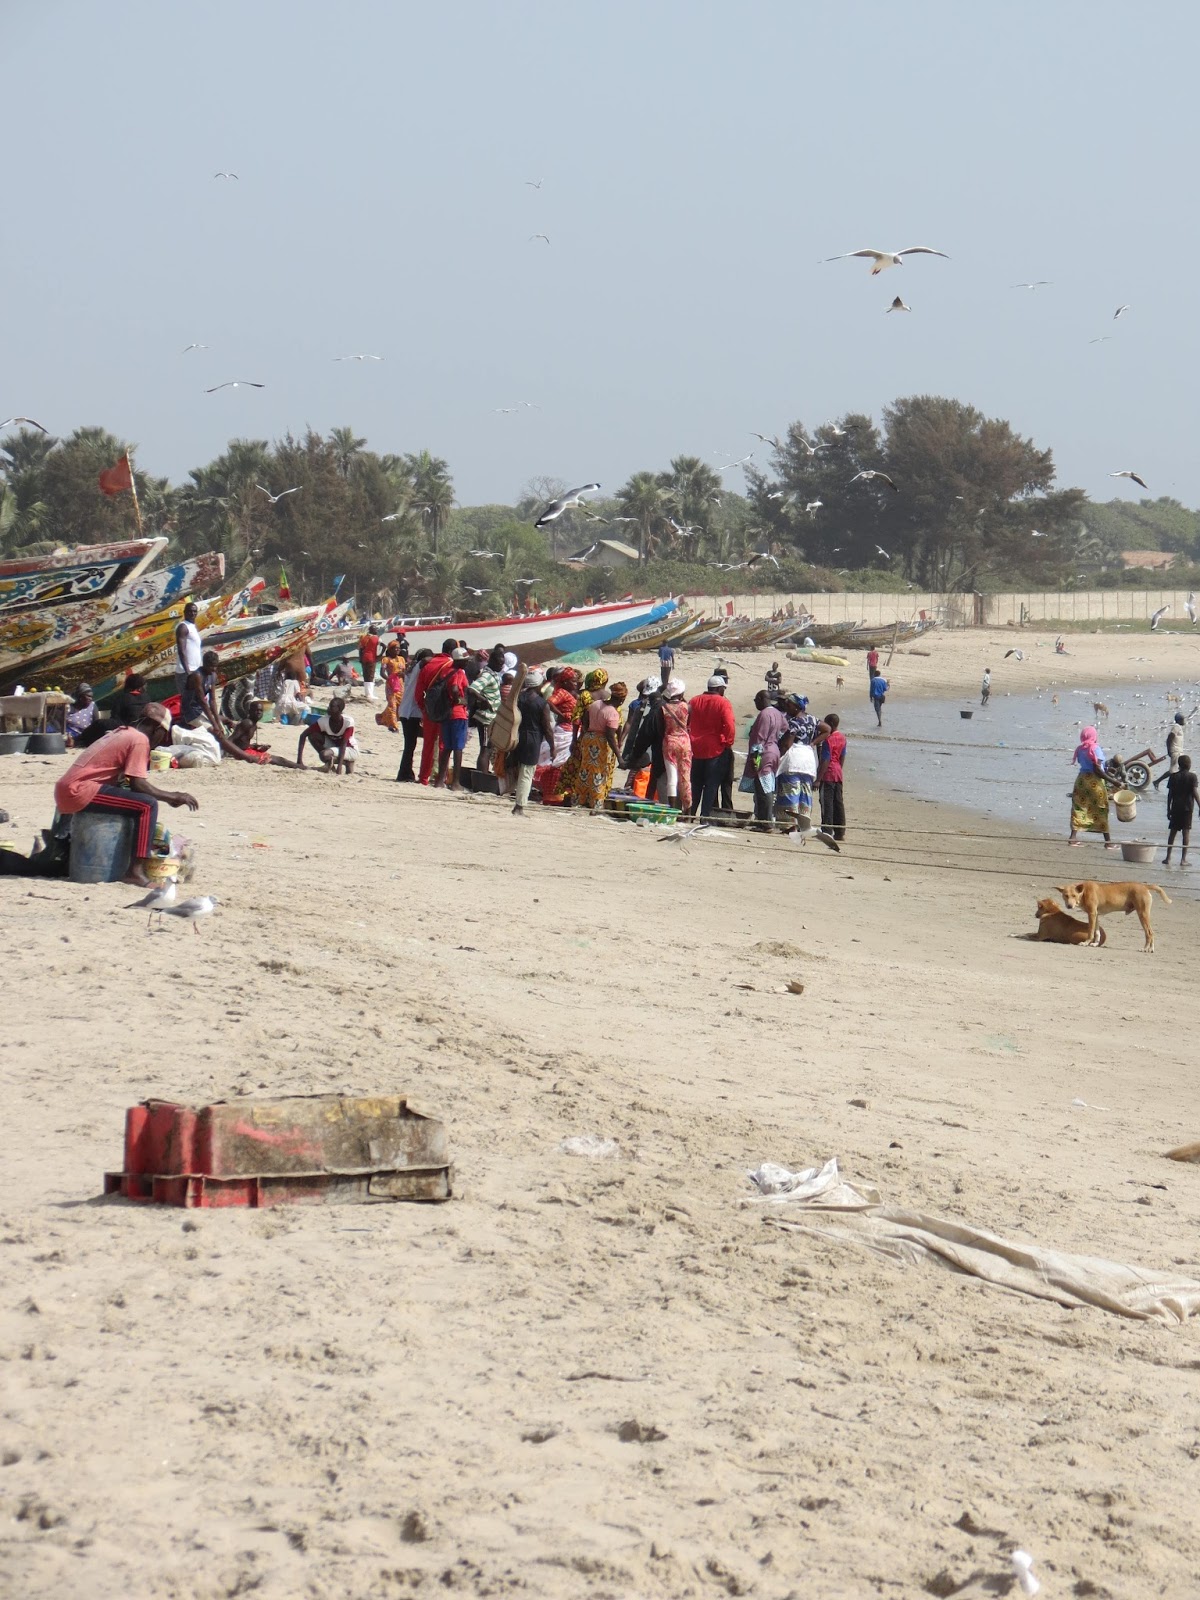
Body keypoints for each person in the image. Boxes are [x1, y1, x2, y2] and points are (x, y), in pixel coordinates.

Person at [52, 703, 199, 887]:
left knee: (136, 802)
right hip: (79, 790)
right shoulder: (139, 740)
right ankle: (134, 872)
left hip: (69, 789)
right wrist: (173, 797)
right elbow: (138, 784)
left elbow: (129, 784)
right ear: (156, 728)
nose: (162, 740)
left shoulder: (123, 733)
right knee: (148, 805)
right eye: (164, 734)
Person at [687, 675, 737, 817]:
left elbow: (686, 719)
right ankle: (705, 816)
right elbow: (729, 725)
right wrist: (727, 742)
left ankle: (690, 814)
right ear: (719, 688)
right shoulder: (723, 703)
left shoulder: (695, 700)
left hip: (695, 748)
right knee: (711, 785)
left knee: (695, 784)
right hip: (715, 749)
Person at [511, 669, 556, 815]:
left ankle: (517, 800)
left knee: (519, 770)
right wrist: (552, 747)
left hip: (517, 736)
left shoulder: (518, 699)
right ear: (538, 685)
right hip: (533, 738)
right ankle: (519, 807)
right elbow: (547, 728)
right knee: (527, 772)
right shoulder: (542, 704)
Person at [570, 684, 622, 809]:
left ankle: (578, 800)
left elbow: (584, 719)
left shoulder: (595, 704)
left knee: (585, 770)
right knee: (599, 773)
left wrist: (587, 733)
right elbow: (610, 736)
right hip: (601, 743)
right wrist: (619, 756)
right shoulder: (613, 713)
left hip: (588, 739)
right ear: (621, 700)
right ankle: (596, 804)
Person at [743, 690, 788, 827]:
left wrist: (755, 759)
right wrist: (775, 740)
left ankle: (766, 822)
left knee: (764, 788)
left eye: (756, 700)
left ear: (762, 699)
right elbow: (785, 728)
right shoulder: (777, 713)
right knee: (767, 785)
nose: (755, 703)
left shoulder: (764, 714)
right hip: (774, 750)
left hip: (765, 753)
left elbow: (759, 739)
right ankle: (763, 820)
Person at [415, 638, 457, 785]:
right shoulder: (452, 665)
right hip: (446, 710)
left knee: (428, 745)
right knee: (443, 746)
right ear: (453, 651)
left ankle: (423, 778)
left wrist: (423, 708)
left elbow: (418, 693)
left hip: (430, 710)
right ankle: (441, 778)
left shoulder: (428, 665)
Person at [1068, 725, 1115, 848]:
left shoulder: (1080, 749)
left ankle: (1073, 838)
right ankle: (1108, 842)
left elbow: (1087, 764)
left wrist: (1107, 770)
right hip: (1094, 782)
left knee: (1079, 808)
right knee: (1101, 808)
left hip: (1082, 780)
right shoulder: (1095, 748)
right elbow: (1098, 769)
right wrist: (1114, 781)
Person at [432, 647, 471, 791]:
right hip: (458, 714)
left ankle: (439, 780)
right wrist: (460, 700)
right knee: (458, 748)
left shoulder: (445, 671)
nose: (467, 663)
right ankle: (455, 782)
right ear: (459, 661)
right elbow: (455, 688)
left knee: (447, 747)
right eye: (466, 661)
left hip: (446, 713)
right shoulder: (459, 672)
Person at [396, 647, 432, 781]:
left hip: (406, 710)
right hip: (412, 711)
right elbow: (426, 660)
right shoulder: (417, 668)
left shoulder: (411, 670)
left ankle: (405, 772)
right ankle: (404, 773)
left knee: (410, 744)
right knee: (410, 745)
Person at [296, 697, 358, 774]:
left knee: (324, 754)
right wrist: (299, 760)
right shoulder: (323, 721)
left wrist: (339, 766)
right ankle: (330, 763)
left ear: (339, 709)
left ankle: (346, 762)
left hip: (349, 749)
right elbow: (303, 735)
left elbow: (344, 743)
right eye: (329, 706)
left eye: (332, 707)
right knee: (312, 736)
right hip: (335, 747)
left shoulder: (348, 722)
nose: (329, 709)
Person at [659, 678, 692, 812]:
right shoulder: (687, 707)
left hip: (669, 742)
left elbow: (662, 728)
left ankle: (672, 810)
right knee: (685, 777)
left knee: (672, 778)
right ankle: (688, 810)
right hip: (684, 742)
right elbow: (689, 725)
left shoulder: (663, 708)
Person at [469, 645, 504, 770]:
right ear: (492, 662)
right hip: (485, 717)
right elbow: (472, 689)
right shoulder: (487, 675)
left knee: (488, 747)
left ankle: (482, 772)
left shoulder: (493, 674)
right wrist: (484, 700)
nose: (501, 667)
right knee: (485, 748)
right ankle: (481, 774)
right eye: (499, 664)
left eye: (502, 664)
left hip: (491, 717)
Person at [816, 712, 847, 841]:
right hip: (838, 772)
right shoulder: (842, 738)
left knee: (826, 802)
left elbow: (825, 760)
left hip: (828, 773)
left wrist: (818, 779)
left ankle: (827, 830)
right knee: (838, 802)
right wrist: (839, 768)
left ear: (831, 724)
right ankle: (840, 831)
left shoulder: (828, 740)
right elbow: (843, 756)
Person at [1164, 754, 1199, 866]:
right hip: (1187, 809)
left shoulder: (1173, 777)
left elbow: (1170, 795)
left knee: (1173, 832)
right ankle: (1183, 859)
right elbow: (1195, 793)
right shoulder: (1192, 777)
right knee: (1186, 833)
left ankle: (1168, 857)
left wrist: (1168, 809)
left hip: (1175, 807)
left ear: (1179, 765)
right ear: (1189, 765)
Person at [179, 650, 222, 731]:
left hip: (201, 710)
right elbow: (202, 701)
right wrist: (214, 724)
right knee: (214, 730)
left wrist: (218, 722)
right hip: (190, 711)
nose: (214, 669)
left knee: (222, 728)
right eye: (211, 666)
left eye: (215, 666)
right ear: (205, 664)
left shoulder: (213, 675)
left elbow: (212, 701)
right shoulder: (197, 676)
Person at [174, 602, 202, 697]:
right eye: (190, 611)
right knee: (188, 702)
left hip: (195, 670)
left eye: (194, 611)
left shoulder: (192, 627)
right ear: (185, 612)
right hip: (185, 673)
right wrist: (188, 672)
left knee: (196, 701)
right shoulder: (183, 627)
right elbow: (181, 651)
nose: (192, 613)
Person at [1153, 713, 1187, 790]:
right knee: (1173, 770)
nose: (1185, 721)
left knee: (1179, 770)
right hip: (1175, 751)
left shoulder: (1179, 727)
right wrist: (1169, 750)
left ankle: (1177, 786)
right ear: (1179, 720)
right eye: (1183, 719)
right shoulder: (1176, 727)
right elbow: (1169, 738)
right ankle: (1157, 781)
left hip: (1179, 751)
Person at [375, 653, 406, 733]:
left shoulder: (401, 659)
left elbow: (405, 672)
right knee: (392, 705)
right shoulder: (386, 660)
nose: (397, 650)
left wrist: (403, 675)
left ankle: (382, 718)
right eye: (395, 648)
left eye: (398, 648)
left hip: (400, 685)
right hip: (390, 685)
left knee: (399, 704)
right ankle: (393, 726)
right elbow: (382, 672)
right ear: (390, 649)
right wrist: (389, 679)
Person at [358, 624, 382, 701]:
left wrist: (360, 659)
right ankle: (370, 694)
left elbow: (360, 650)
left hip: (364, 658)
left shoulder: (364, 638)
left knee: (366, 675)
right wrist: (380, 654)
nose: (376, 630)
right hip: (371, 658)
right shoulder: (376, 638)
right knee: (371, 675)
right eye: (375, 629)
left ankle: (367, 693)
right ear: (372, 630)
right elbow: (384, 645)